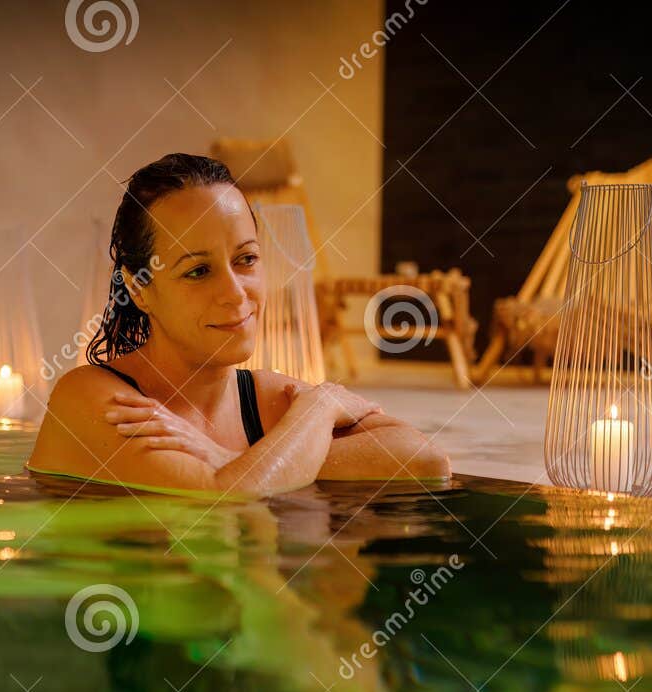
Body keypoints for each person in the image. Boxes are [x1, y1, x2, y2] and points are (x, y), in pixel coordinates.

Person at [27, 152, 450, 497]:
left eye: (246, 260)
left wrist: (229, 454)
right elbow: (226, 497)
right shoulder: (92, 400)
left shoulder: (268, 399)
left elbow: (427, 462)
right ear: (140, 290)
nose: (236, 293)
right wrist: (320, 407)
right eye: (197, 271)